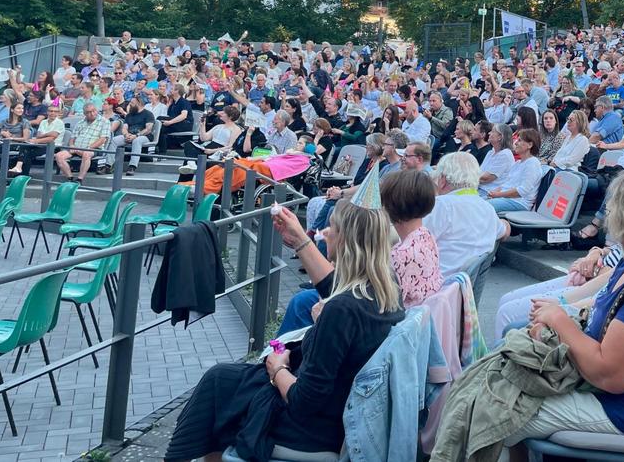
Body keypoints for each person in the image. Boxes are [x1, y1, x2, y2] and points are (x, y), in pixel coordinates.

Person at [166, 176, 404, 462]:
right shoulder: (384, 290)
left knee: (218, 389)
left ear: (348, 242)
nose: (325, 231)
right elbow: (334, 285)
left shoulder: (341, 310)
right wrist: (300, 240)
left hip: (308, 429)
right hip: (336, 411)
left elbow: (304, 401)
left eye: (333, 227)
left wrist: (277, 368)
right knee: (221, 382)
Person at [496, 168, 624, 461]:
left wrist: (559, 320)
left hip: (623, 410)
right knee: (496, 380)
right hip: (599, 389)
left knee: (490, 410)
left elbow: (611, 376)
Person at [425, 152, 510, 278]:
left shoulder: (440, 206)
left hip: (435, 286)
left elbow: (412, 243)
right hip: (465, 288)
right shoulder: (487, 209)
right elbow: (505, 232)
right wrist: (504, 223)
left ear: (442, 180)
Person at [379, 169, 443, 307]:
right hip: (424, 316)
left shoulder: (400, 255)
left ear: (390, 205)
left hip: (406, 321)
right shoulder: (427, 235)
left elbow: (386, 305)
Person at [485, 128, 543, 214]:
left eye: (519, 140)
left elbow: (522, 191)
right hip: (506, 199)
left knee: (484, 207)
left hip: (519, 202)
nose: (515, 143)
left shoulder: (533, 163)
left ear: (530, 145)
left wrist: (498, 195)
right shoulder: (518, 163)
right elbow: (507, 183)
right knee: (477, 204)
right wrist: (494, 192)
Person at [54, 103, 109, 182]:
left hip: (94, 148)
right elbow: (73, 137)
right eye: (89, 112)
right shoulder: (80, 123)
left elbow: (103, 139)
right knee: (59, 156)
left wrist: (88, 148)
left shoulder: (104, 122)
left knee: (86, 154)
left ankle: (80, 179)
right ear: (84, 114)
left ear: (96, 111)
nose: (92, 114)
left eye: (93, 111)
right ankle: (70, 178)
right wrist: (72, 145)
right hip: (76, 147)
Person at [108, 97, 154, 175]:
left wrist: (136, 135)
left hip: (144, 136)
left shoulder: (148, 114)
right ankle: (108, 165)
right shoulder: (129, 115)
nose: (130, 105)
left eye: (132, 103)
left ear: (138, 103)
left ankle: (132, 166)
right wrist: (126, 134)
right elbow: (125, 127)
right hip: (129, 135)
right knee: (114, 140)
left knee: (137, 141)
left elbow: (148, 129)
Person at [0, 101, 31, 177]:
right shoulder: (5, 121)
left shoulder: (24, 122)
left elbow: (25, 138)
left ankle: (18, 167)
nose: (21, 110)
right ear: (12, 110)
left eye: (22, 108)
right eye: (18, 108)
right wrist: (2, 132)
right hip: (3, 144)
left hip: (16, 144)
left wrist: (11, 137)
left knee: (24, 145)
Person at [478, 123, 515, 197]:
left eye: (492, 131)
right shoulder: (491, 152)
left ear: (500, 137)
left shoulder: (505, 154)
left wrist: (468, 177)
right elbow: (480, 172)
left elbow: (486, 178)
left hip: (489, 192)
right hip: (480, 188)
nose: (489, 133)